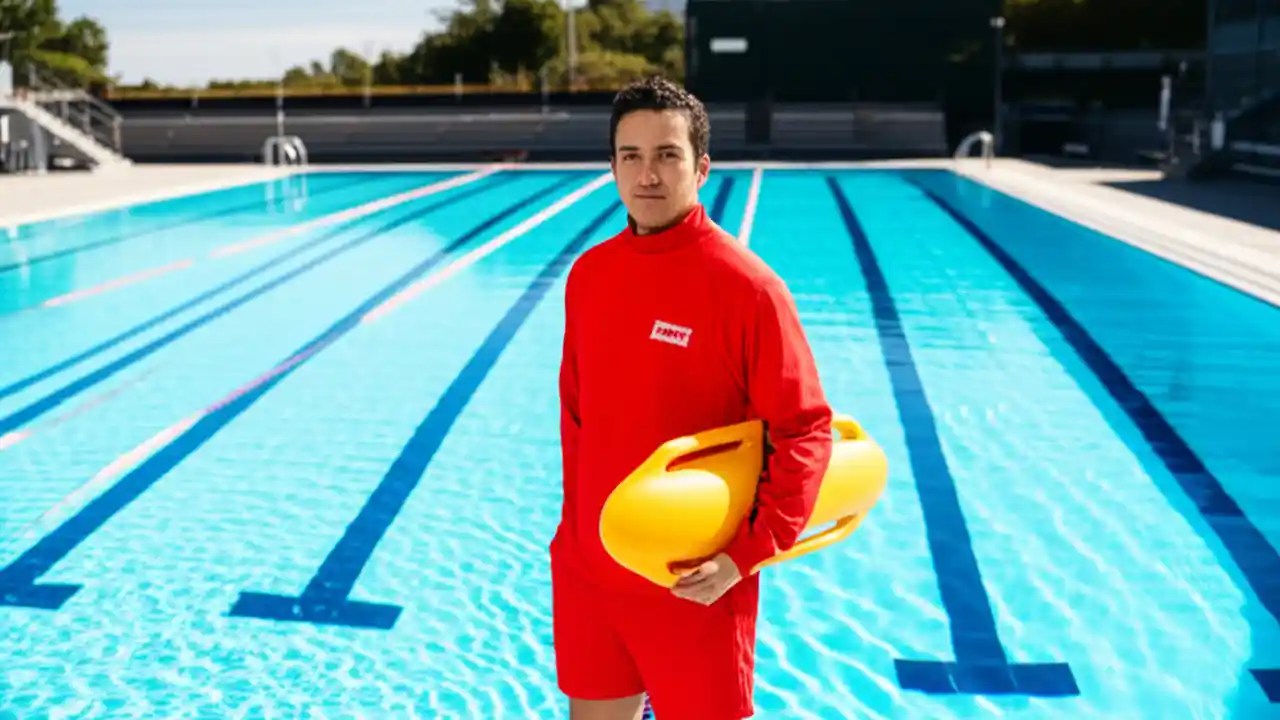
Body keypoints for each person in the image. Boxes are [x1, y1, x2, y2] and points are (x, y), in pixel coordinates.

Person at [551, 75, 834, 720]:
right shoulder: (590, 275)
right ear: (613, 167)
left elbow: (805, 431)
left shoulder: (748, 288)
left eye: (667, 155)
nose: (647, 174)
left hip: (696, 584)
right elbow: (576, 414)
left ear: (701, 167)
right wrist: (573, 543)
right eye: (631, 156)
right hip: (592, 573)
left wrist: (744, 558)